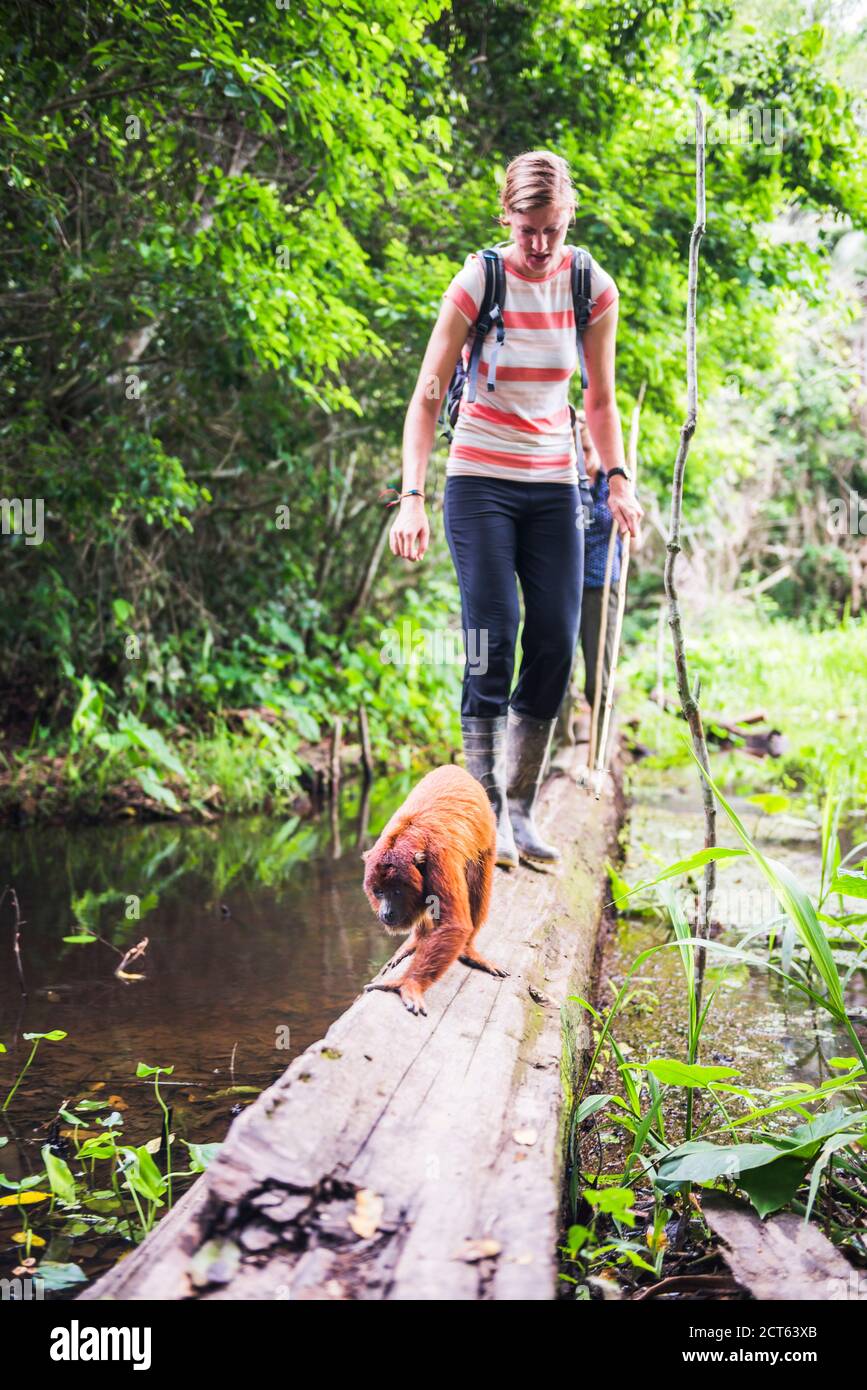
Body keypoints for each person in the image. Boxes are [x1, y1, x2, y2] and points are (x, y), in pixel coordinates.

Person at [390, 150, 642, 868]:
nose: (538, 246)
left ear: (568, 220)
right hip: (478, 481)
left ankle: (522, 807)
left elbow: (597, 399)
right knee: (491, 633)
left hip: (554, 484)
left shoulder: (589, 285)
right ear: (505, 218)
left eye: (552, 231)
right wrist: (411, 496)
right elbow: (427, 396)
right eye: (527, 230)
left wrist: (616, 477)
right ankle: (484, 813)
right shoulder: (480, 280)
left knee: (557, 642)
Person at [557, 408, 623, 758]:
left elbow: (628, 532)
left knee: (598, 672)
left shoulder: (612, 486)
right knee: (560, 670)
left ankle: (597, 753)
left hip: (601, 585)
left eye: (588, 451)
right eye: (577, 452)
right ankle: (563, 746)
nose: (583, 459)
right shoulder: (562, 483)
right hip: (563, 584)